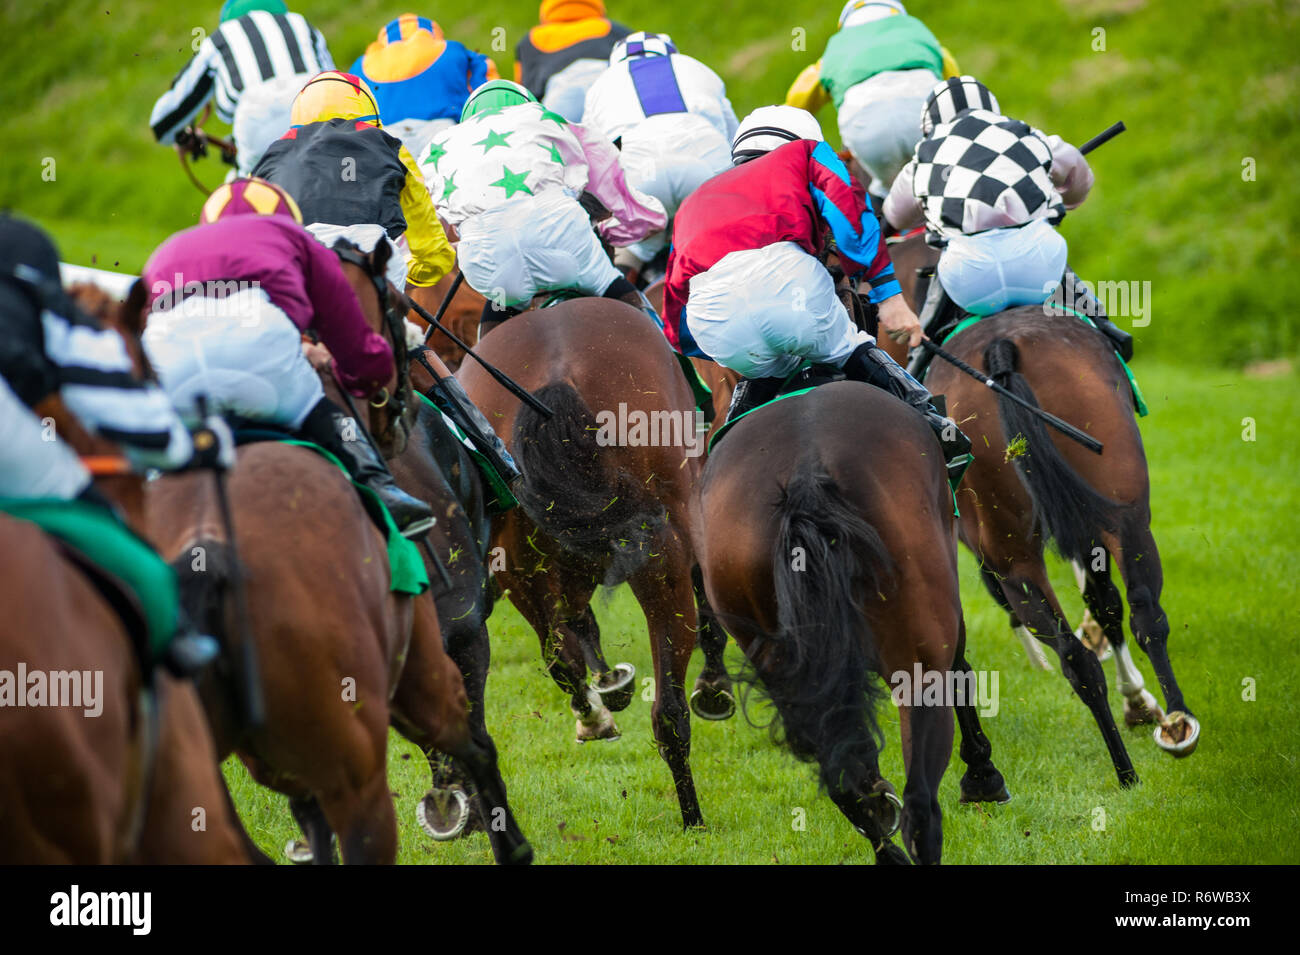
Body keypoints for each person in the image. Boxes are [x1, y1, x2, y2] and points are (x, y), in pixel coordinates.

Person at [662, 106, 972, 484]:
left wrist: (702, 345)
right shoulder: (805, 153)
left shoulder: (696, 199)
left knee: (764, 369)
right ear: (802, 137)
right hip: (788, 291)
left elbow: (675, 297)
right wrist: (888, 291)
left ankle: (720, 463)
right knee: (847, 345)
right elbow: (850, 209)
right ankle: (938, 428)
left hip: (713, 318)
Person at [137, 178, 437, 537]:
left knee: (148, 464)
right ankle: (383, 491)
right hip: (258, 348)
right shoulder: (296, 239)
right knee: (321, 410)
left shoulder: (169, 248)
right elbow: (351, 338)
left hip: (167, 360)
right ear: (288, 218)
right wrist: (366, 375)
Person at [0, 216, 229, 673]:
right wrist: (199, 445)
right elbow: (143, 430)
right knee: (96, 517)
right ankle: (176, 634)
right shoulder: (42, 286)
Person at [882, 75, 1132, 380]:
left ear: (929, 124)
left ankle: (918, 362)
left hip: (970, 283)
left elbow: (895, 217)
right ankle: (1106, 329)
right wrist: (1062, 200)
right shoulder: (1025, 134)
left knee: (949, 259)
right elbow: (1080, 176)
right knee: (1040, 236)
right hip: (1038, 271)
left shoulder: (923, 157)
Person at [419, 78, 666, 334]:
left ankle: (480, 364)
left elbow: (427, 216)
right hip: (560, 239)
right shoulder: (540, 117)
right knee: (610, 284)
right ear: (526, 103)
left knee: (500, 303)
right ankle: (668, 352)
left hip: (490, 263)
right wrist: (638, 222)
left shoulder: (439, 145)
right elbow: (605, 168)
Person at [252, 70, 455, 293]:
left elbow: (252, 235)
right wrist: (425, 269)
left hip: (295, 268)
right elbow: (425, 231)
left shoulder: (271, 156)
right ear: (368, 113)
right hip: (371, 261)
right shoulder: (389, 146)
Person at [582, 32, 738, 278]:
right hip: (705, 165)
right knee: (734, 247)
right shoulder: (698, 68)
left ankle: (626, 301)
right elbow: (735, 143)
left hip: (643, 175)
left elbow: (593, 160)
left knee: (635, 247)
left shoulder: (600, 86)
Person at [785, 0, 959, 201]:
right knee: (938, 186)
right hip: (924, 121)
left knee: (884, 191)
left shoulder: (837, 48)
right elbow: (955, 85)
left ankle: (878, 220)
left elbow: (798, 98)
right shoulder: (920, 34)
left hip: (869, 133)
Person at [148, 0, 334, 177]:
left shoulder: (219, 39)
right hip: (316, 112)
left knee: (247, 197)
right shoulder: (301, 24)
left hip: (257, 121)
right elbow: (339, 86)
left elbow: (162, 123)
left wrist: (183, 137)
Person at [350, 13, 500, 160]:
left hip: (387, 141)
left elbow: (352, 112)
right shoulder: (452, 49)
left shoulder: (360, 66)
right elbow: (486, 84)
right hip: (442, 130)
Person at [515, 0, 633, 121]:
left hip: (563, 97)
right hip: (608, 87)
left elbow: (523, 98)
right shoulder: (614, 29)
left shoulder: (532, 40)